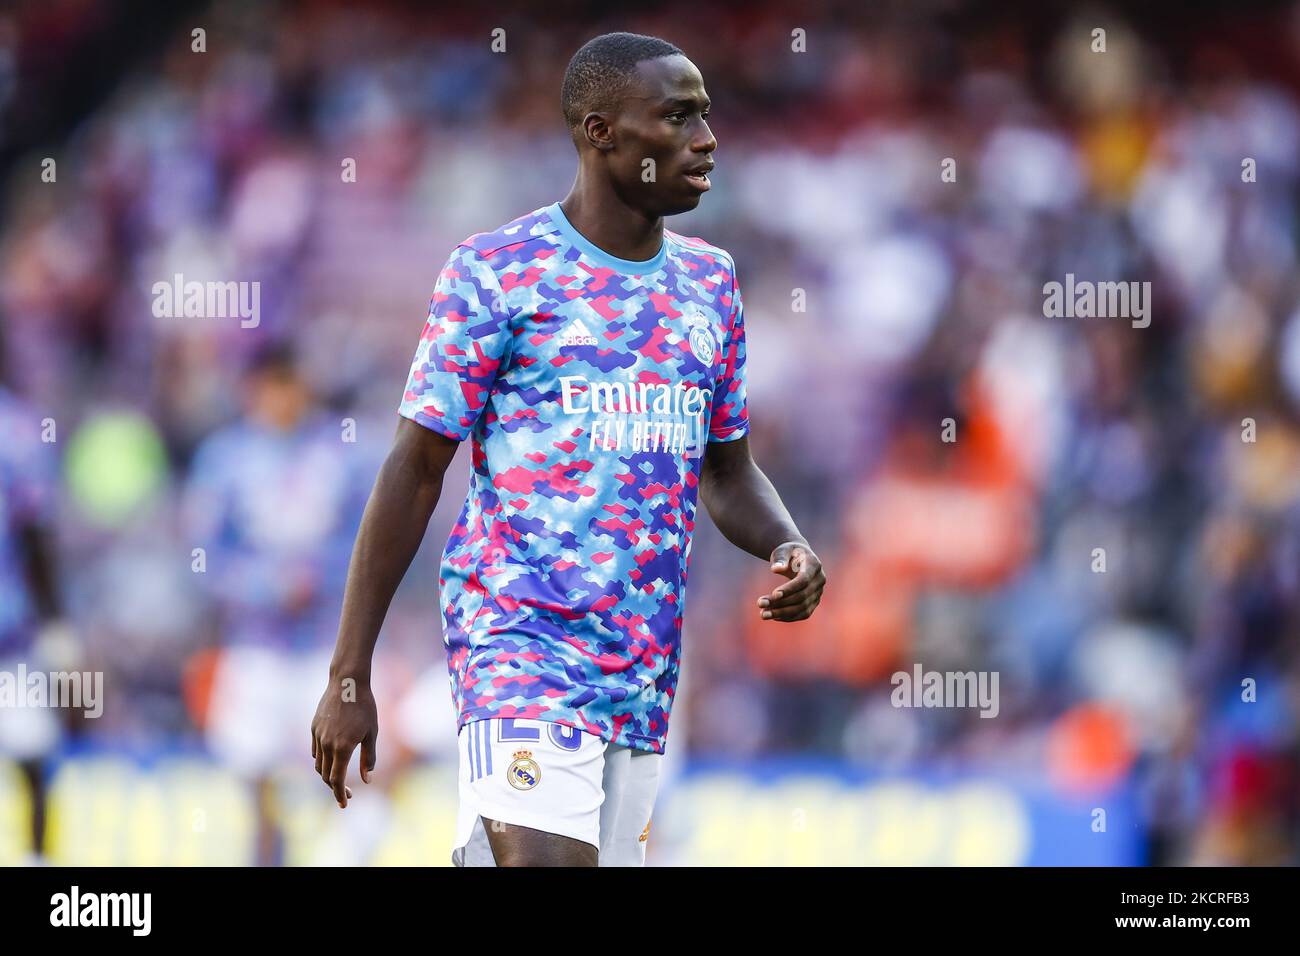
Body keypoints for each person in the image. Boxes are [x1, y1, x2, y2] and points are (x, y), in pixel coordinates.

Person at [311, 31, 827, 867]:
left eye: (707, 116)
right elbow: (413, 470)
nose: (707, 140)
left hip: (643, 670)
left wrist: (785, 541)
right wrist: (350, 672)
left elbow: (725, 468)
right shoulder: (497, 272)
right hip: (519, 640)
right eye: (679, 117)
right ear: (601, 132)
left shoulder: (711, 285)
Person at [184, 344, 369, 864]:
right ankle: (267, 856)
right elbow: (202, 555)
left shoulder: (343, 453)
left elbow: (370, 542)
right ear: (254, 391)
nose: (284, 399)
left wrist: (320, 578)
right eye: (274, 387)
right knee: (252, 767)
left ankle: (335, 855)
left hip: (327, 646)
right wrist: (264, 586)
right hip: (255, 644)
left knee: (343, 767)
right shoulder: (224, 459)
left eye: (292, 386)